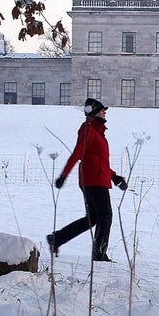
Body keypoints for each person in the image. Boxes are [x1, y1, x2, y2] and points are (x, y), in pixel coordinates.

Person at [47, 98, 128, 262]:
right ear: (95, 112)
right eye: (102, 110)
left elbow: (99, 161)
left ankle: (58, 238)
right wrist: (64, 175)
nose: (105, 113)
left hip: (97, 179)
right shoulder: (88, 130)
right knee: (105, 216)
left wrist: (114, 177)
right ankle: (99, 254)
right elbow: (77, 153)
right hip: (93, 181)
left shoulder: (97, 131)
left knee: (93, 218)